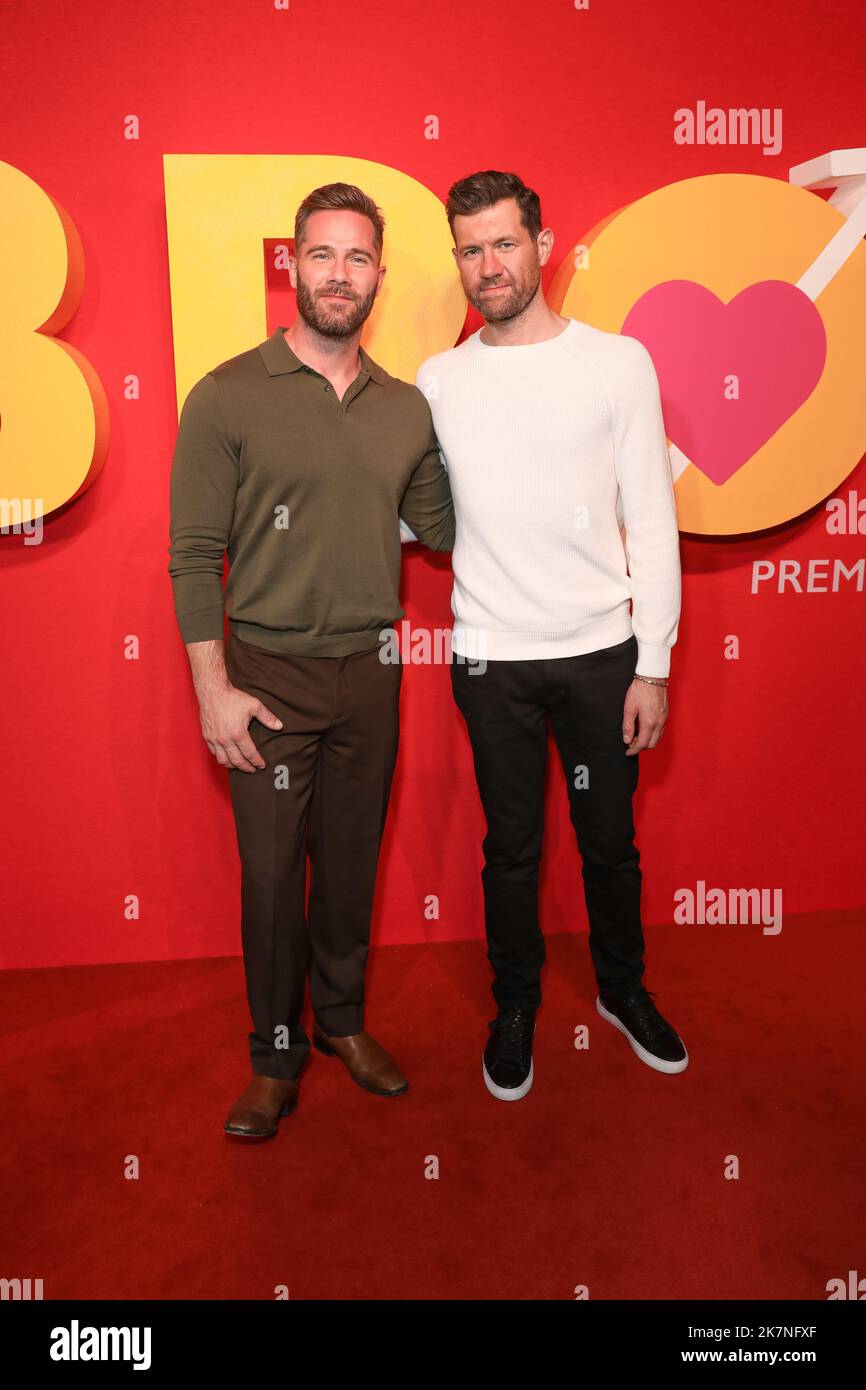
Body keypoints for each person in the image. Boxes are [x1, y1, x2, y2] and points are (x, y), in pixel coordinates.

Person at [168, 182, 455, 1139]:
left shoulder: (406, 408)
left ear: (380, 274)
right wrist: (215, 692)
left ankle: (341, 1024)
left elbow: (445, 529)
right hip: (266, 679)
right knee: (268, 875)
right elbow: (193, 555)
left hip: (372, 672)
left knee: (348, 864)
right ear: (291, 264)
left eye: (359, 258)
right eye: (323, 255)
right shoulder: (226, 394)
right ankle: (274, 1056)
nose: (340, 275)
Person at [416, 169, 687, 1102]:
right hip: (490, 658)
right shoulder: (438, 381)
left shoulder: (619, 363)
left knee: (610, 842)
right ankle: (516, 1007)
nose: (487, 265)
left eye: (502, 242)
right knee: (511, 848)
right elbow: (419, 514)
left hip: (602, 656)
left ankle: (623, 991)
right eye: (469, 248)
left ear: (543, 243)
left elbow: (652, 519)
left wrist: (653, 665)